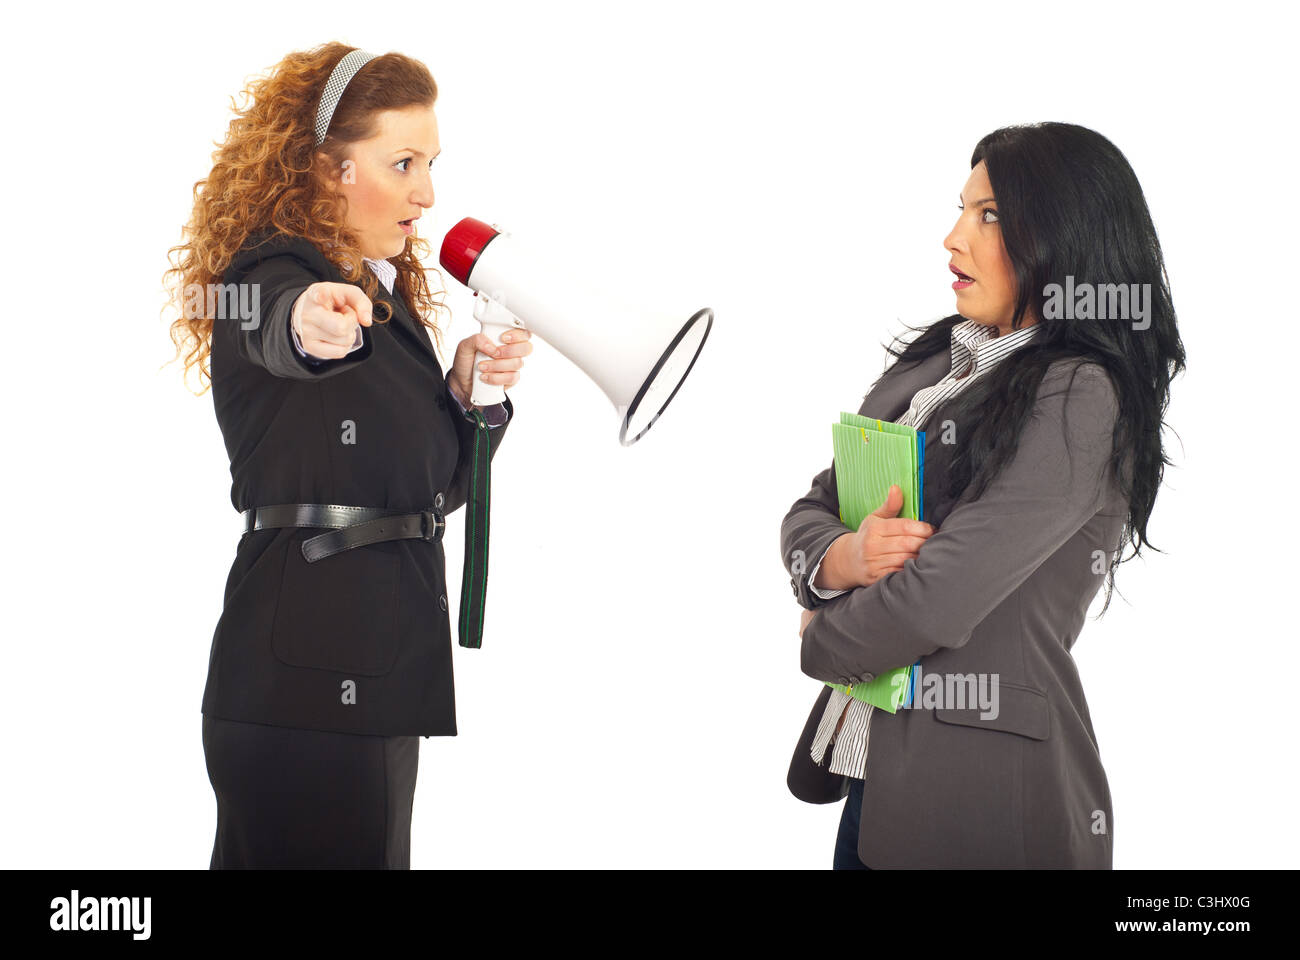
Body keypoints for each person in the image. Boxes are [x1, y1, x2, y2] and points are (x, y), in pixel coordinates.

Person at [164, 43, 534, 868]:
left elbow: (431, 488)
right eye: (401, 162)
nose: (426, 192)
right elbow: (262, 314)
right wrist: (305, 322)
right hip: (307, 686)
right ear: (328, 170)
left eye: (429, 163)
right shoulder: (267, 270)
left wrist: (470, 397)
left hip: (374, 677)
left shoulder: (389, 302)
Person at [781, 122, 1186, 868]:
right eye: (963, 209)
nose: (952, 238)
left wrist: (821, 638)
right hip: (876, 774)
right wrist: (838, 558)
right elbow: (811, 508)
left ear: (1064, 237)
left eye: (988, 215)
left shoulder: (1081, 394)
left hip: (982, 802)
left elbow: (938, 598)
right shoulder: (938, 359)